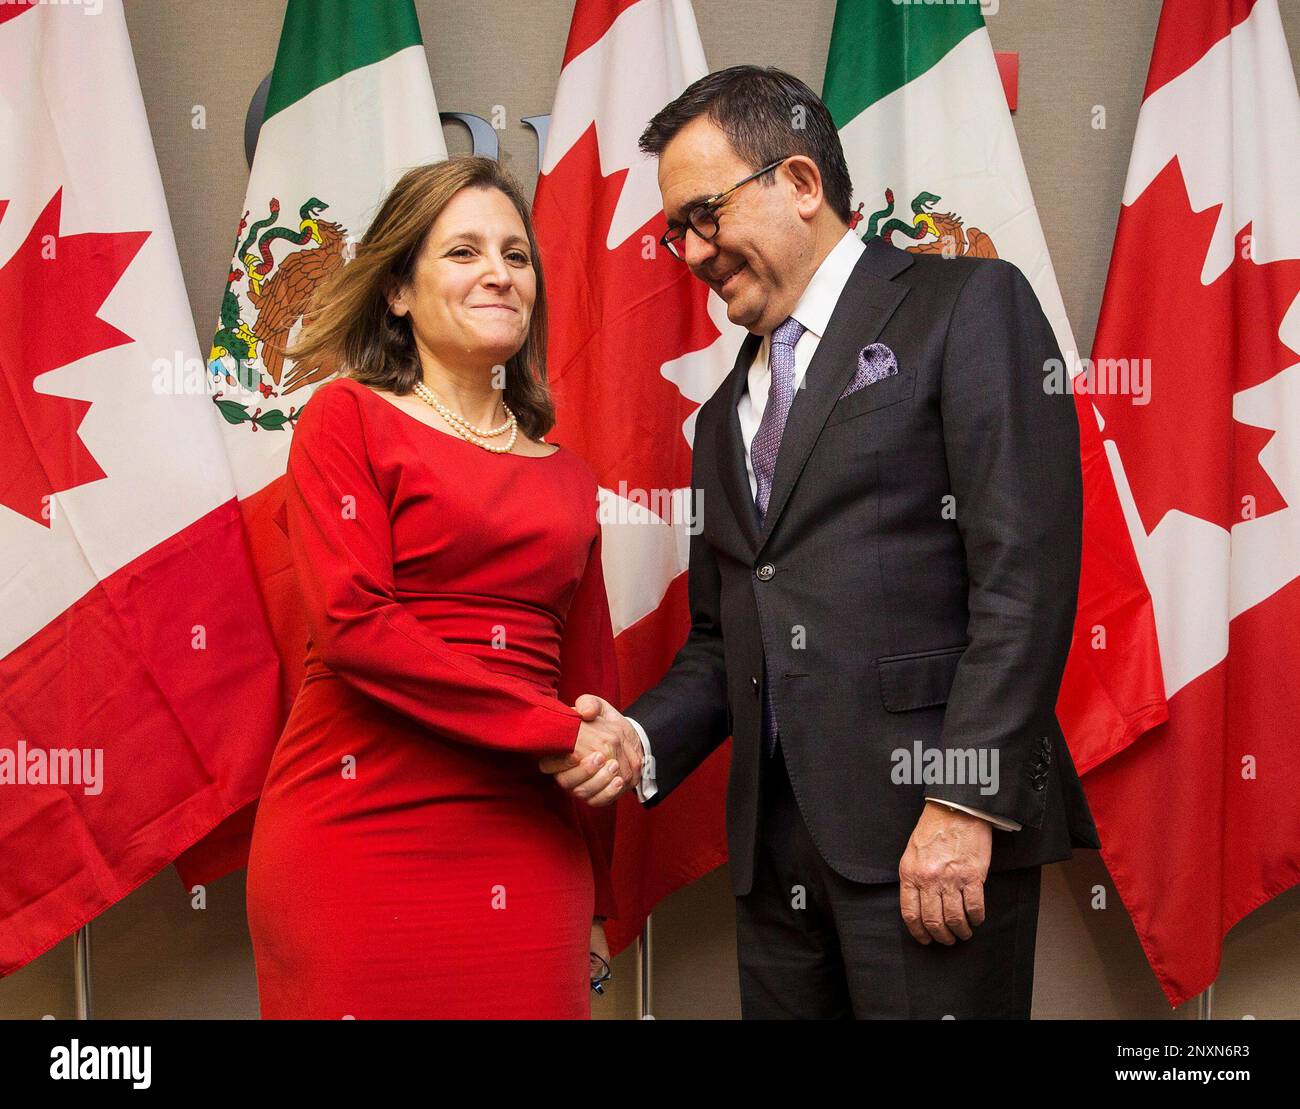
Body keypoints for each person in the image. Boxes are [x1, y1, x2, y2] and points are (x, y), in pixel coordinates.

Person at [545, 66, 1099, 1019]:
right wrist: (637, 739)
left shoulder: (969, 305)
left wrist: (964, 804)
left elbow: (1025, 576)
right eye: (675, 230)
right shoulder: (722, 416)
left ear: (800, 182)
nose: (691, 251)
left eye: (705, 214)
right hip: (775, 864)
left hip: (931, 841)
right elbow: (727, 637)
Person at [245, 156, 630, 1019]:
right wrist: (555, 728)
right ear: (398, 293)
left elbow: (591, 686)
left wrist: (601, 897)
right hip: (354, 835)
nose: (499, 271)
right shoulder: (344, 418)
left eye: (516, 254)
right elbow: (355, 625)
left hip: (528, 846)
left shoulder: (571, 478)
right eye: (462, 251)